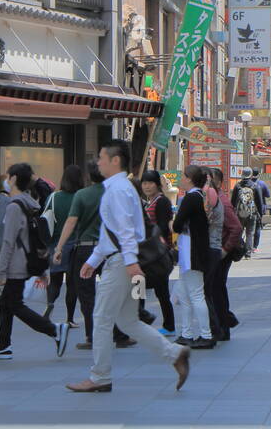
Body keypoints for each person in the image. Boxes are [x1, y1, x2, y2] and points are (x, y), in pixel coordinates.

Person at [66, 140, 190, 393]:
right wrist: (93, 261)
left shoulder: (118, 190)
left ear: (115, 161)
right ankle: (174, 353)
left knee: (102, 319)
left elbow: (124, 230)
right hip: (125, 262)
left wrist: (130, 263)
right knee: (128, 320)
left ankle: (100, 376)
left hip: (122, 264)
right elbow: (110, 232)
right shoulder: (119, 188)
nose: (98, 162)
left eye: (102, 157)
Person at [0, 163, 70, 360]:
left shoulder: (14, 206)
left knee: (14, 304)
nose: (5, 180)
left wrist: (1, 271)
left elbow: (9, 240)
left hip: (16, 264)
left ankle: (54, 330)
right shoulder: (30, 202)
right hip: (27, 260)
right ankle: (3, 345)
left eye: (7, 176)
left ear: (13, 179)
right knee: (5, 303)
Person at [52, 162, 105, 350]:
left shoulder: (82, 195)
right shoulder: (113, 193)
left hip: (85, 249)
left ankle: (91, 336)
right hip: (110, 250)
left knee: (86, 294)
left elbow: (71, 222)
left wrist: (58, 249)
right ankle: (119, 333)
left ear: (89, 176)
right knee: (112, 294)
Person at [171, 166, 214, 350]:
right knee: (185, 294)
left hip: (192, 253)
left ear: (189, 179)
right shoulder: (198, 197)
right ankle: (187, 333)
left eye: (183, 176)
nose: (181, 179)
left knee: (195, 294)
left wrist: (172, 223)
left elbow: (177, 224)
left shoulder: (191, 198)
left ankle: (205, 334)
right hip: (192, 251)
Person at [204, 168, 242, 340]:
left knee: (215, 289)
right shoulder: (213, 198)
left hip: (221, 252)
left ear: (218, 183)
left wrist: (225, 250)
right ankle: (224, 324)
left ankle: (223, 324)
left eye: (208, 180)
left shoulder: (221, 201)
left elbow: (236, 228)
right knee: (216, 289)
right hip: (217, 250)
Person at [42, 164, 82, 326]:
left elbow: (44, 219)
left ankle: (49, 305)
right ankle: (70, 318)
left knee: (56, 280)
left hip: (56, 244)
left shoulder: (53, 197)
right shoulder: (81, 197)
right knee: (72, 283)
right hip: (76, 244)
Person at [138, 171, 176, 334]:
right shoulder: (149, 202)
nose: (146, 186)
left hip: (158, 255)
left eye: (150, 183)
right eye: (144, 183)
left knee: (161, 291)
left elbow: (161, 226)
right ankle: (139, 318)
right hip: (147, 253)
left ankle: (169, 325)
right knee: (138, 287)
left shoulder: (162, 202)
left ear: (157, 184)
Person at [232, 168, 263, 258]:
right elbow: (259, 202)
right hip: (251, 214)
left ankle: (239, 249)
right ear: (251, 174)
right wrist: (260, 214)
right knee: (250, 233)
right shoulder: (255, 186)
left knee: (239, 232)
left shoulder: (237, 186)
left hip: (239, 213)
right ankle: (248, 253)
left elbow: (233, 201)